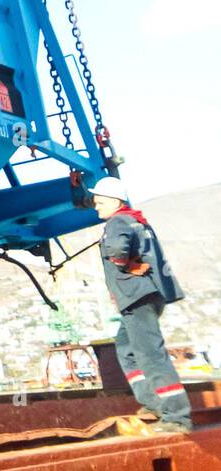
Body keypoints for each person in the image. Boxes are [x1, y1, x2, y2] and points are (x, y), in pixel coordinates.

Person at [90, 176, 192, 433]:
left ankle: (177, 416)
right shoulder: (136, 220)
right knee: (126, 348)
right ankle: (153, 401)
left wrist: (121, 264)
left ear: (114, 201)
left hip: (136, 298)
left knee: (151, 356)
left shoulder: (117, 221)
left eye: (99, 202)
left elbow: (117, 250)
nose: (95, 207)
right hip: (148, 296)